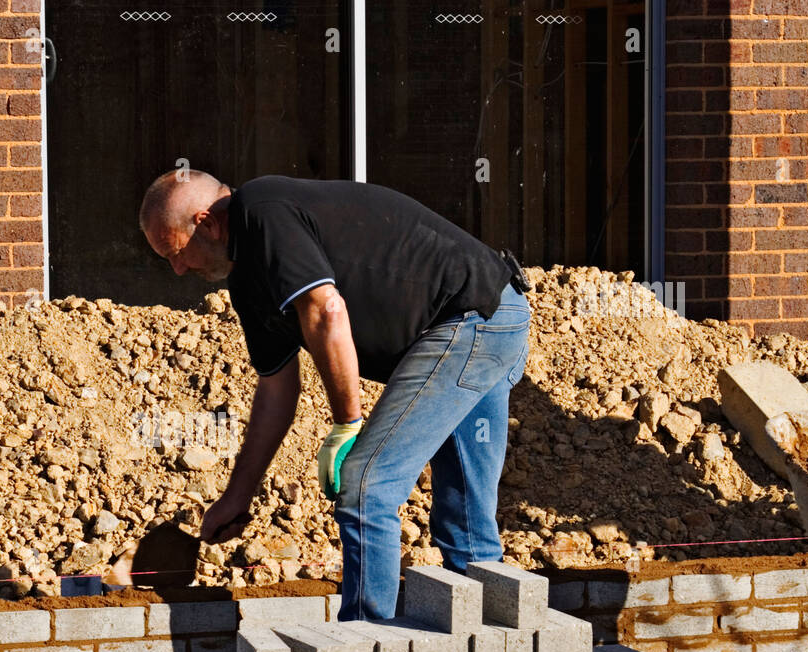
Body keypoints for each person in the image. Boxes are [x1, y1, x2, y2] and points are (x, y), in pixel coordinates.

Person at [138, 170, 531, 621]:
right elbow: (276, 388)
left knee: (366, 485)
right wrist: (238, 495)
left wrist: (347, 424)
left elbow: (327, 310)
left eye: (177, 252)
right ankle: (498, 639)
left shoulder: (261, 210)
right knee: (464, 516)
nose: (178, 269)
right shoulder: (248, 281)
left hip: (471, 317)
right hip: (488, 316)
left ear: (206, 221)